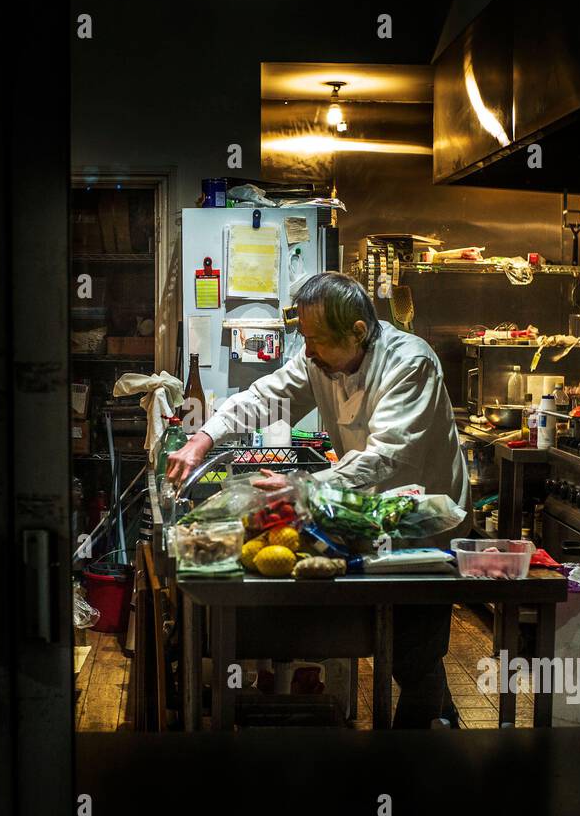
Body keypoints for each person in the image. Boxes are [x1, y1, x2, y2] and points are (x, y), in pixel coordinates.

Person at [166, 271, 474, 728]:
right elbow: (266, 396)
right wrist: (203, 439)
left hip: (425, 517)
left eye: (318, 340)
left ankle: (418, 753)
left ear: (358, 332)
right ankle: (435, 711)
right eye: (304, 339)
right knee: (387, 633)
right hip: (364, 511)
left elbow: (386, 458)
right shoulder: (321, 359)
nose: (308, 351)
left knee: (414, 646)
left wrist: (304, 487)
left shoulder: (411, 363)